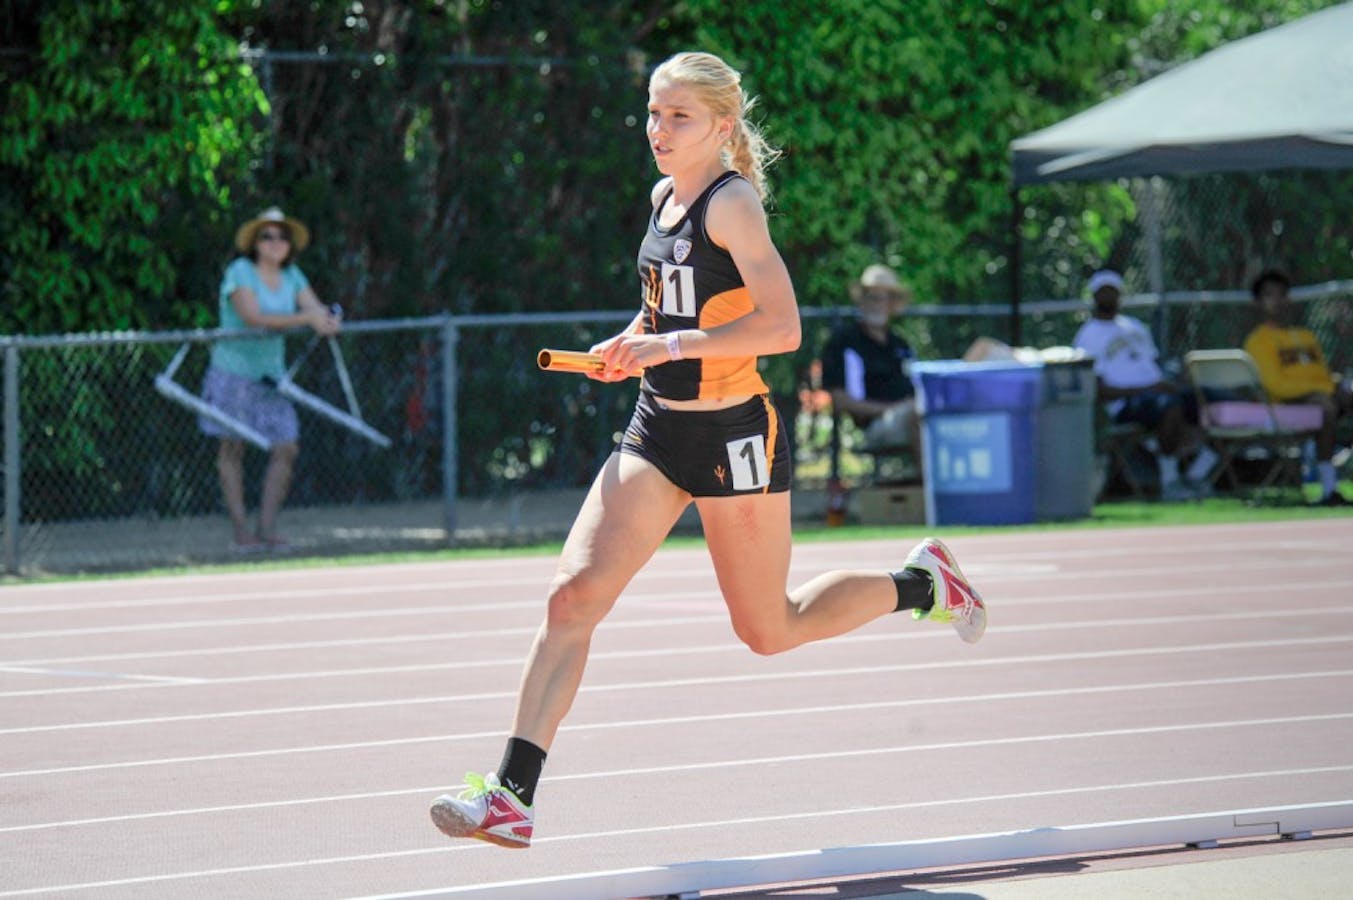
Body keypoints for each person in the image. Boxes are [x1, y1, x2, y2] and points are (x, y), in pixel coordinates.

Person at [428, 51, 988, 850]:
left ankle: (921, 583)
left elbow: (783, 328)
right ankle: (513, 794)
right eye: (653, 114)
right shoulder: (663, 198)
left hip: (735, 439)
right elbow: (662, 309)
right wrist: (629, 343)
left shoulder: (733, 207)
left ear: (721, 125)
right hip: (657, 429)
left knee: (769, 628)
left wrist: (671, 346)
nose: (658, 131)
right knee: (570, 598)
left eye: (678, 117)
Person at [199, 207, 341, 551]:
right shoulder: (240, 272)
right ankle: (241, 532)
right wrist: (307, 318)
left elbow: (316, 310)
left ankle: (266, 528)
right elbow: (253, 317)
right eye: (268, 236)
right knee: (232, 448)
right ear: (256, 242)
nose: (275, 242)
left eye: (282, 236)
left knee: (286, 446)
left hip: (271, 378)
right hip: (233, 374)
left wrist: (327, 319)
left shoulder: (293, 276)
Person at [1072, 269, 1217, 500]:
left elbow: (1152, 365)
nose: (1109, 297)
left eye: (1114, 291)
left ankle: (1198, 471)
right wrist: (1148, 390)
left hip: (1157, 391)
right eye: (1104, 292)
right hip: (1126, 404)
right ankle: (1170, 481)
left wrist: (1168, 383)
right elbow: (1099, 390)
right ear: (1094, 296)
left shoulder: (1135, 327)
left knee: (1208, 396)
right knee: (1170, 406)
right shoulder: (1087, 335)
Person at [1243, 268, 1353, 506]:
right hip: (1284, 403)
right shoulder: (1258, 340)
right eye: (1270, 295)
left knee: (1337, 399)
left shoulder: (1306, 336)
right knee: (1325, 408)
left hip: (1321, 396)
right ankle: (1328, 488)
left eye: (1282, 295)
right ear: (1259, 303)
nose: (1277, 302)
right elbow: (1275, 385)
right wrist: (1321, 391)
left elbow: (1322, 375)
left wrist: (1334, 388)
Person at [819, 264, 919, 453]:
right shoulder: (843, 342)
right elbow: (840, 401)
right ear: (861, 301)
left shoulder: (900, 344)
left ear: (892, 304)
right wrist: (893, 409)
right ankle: (931, 482)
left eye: (885, 299)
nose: (878, 304)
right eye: (872, 297)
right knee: (916, 415)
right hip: (875, 426)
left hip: (913, 414)